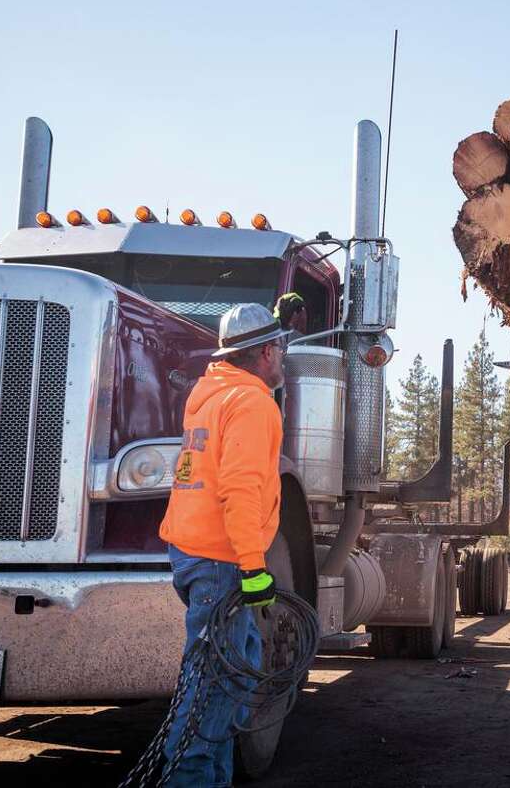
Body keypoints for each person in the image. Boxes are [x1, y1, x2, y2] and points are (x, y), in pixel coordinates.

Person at [158, 302, 288, 787]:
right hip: (222, 560)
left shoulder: (210, 392)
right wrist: (253, 568)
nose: (283, 362)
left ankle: (211, 779)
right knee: (212, 686)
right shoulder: (252, 403)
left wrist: (279, 319)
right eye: (280, 351)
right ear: (267, 353)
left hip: (192, 551)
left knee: (237, 670)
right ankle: (184, 779)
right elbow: (240, 488)